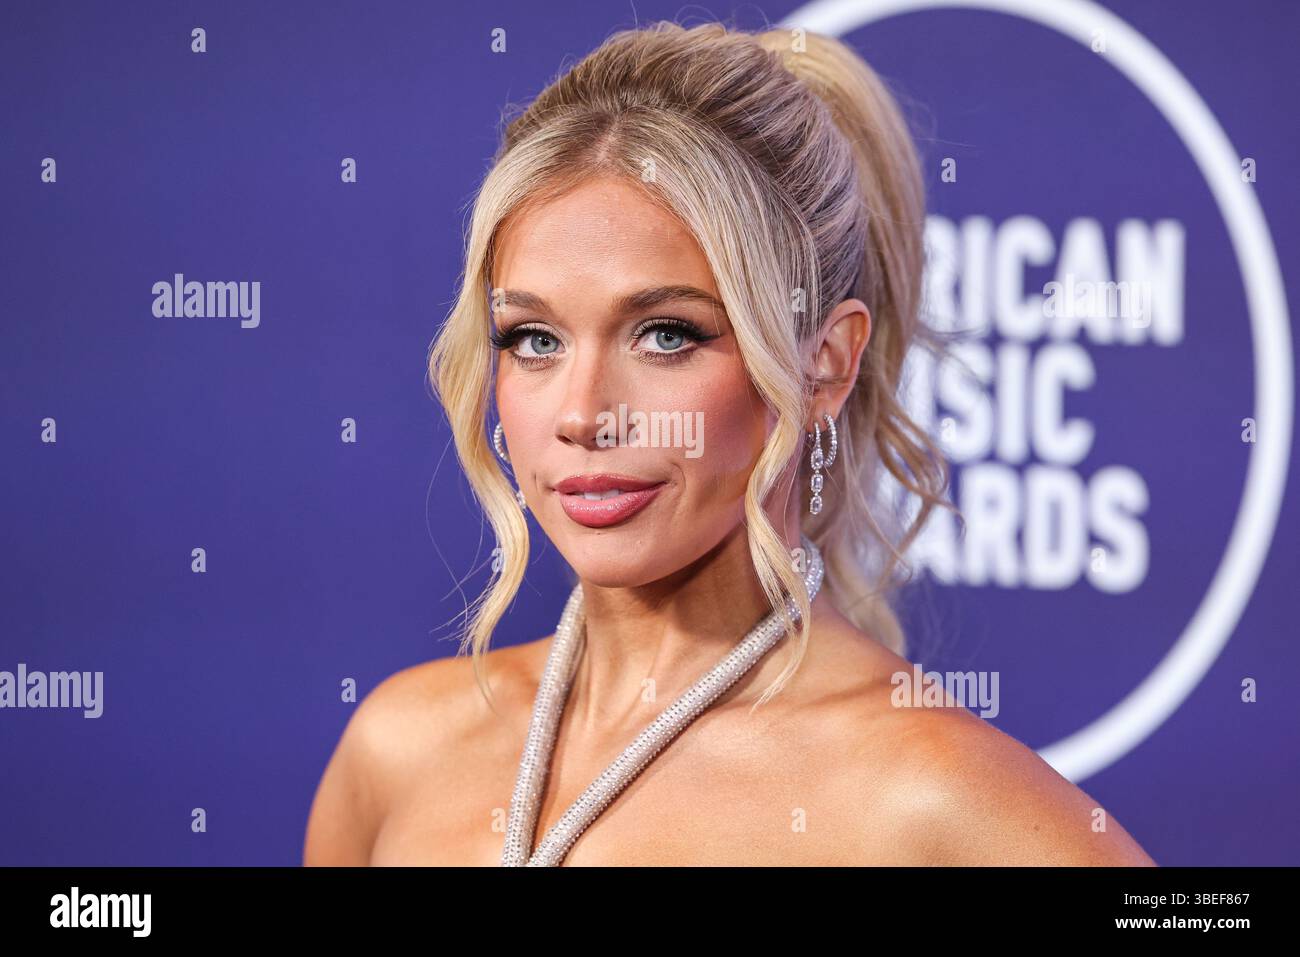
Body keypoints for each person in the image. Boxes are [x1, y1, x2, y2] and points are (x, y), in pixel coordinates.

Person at [304, 20, 1156, 866]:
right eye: (534, 338)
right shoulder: (398, 749)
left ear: (824, 366)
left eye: (668, 334)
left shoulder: (938, 803)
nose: (584, 413)